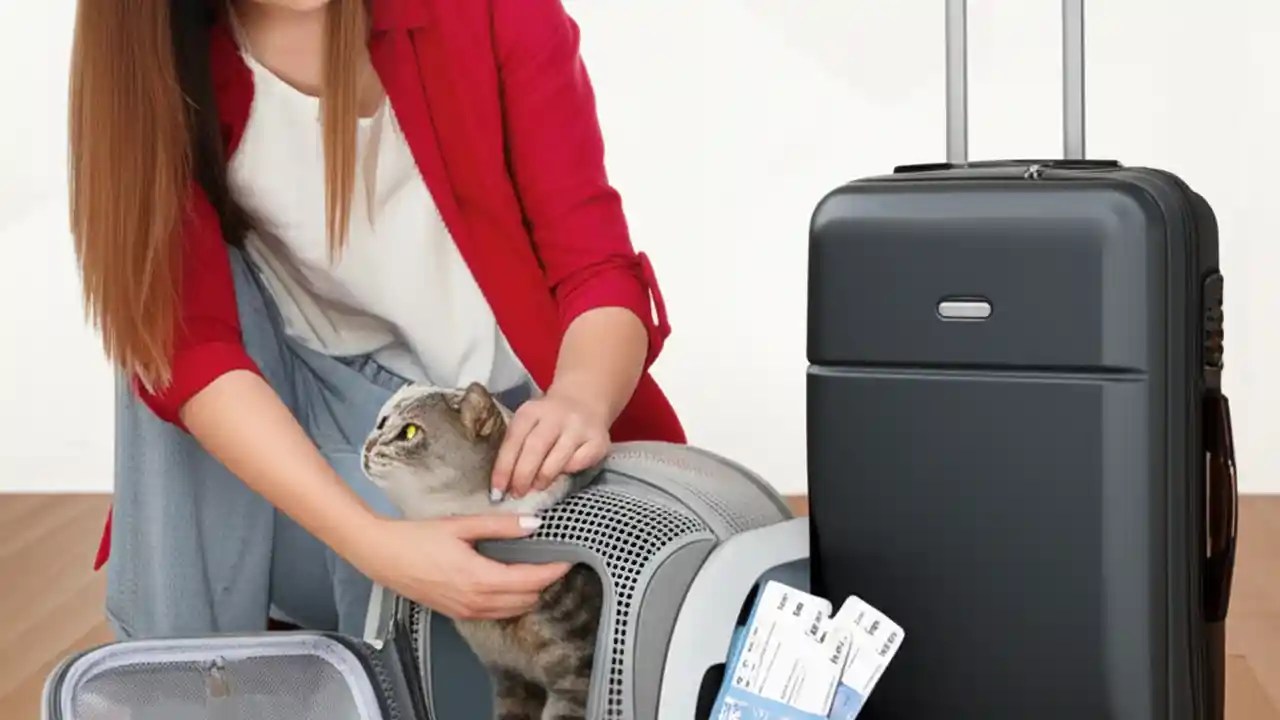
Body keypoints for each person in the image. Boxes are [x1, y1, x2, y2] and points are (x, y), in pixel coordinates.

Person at [68, 0, 684, 643]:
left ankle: (251, 667)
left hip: (500, 437)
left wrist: (580, 397)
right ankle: (186, 680)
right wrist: (375, 545)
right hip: (324, 443)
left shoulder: (485, 14)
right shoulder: (171, 60)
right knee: (156, 309)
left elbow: (594, 263)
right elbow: (191, 352)